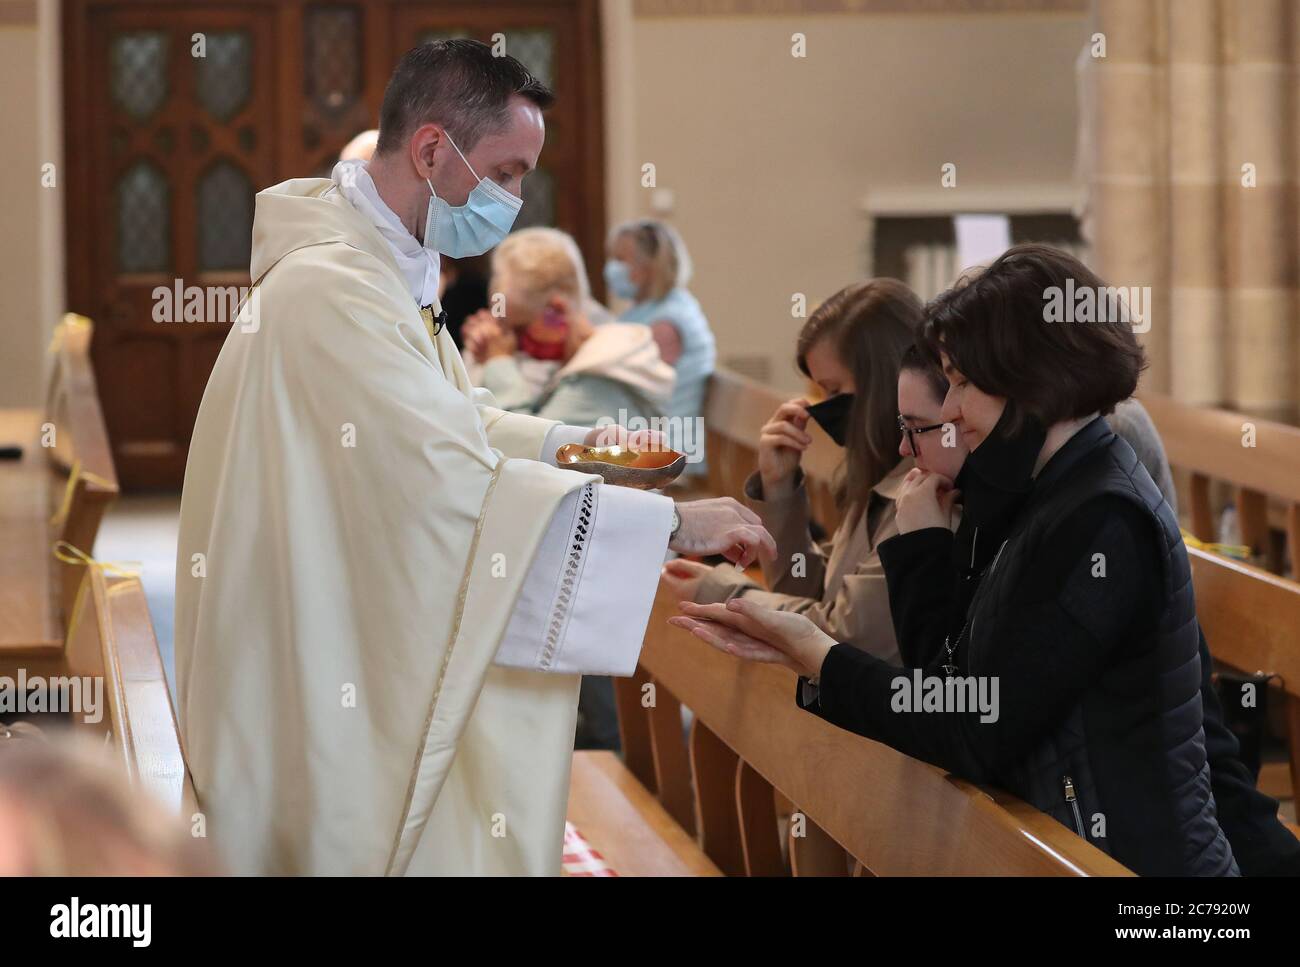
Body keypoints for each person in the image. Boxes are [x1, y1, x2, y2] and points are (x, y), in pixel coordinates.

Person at [175, 39, 776, 876]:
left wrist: (583, 446)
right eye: (507, 171)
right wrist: (670, 523)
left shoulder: (382, 271)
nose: (517, 201)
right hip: (319, 664)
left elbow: (456, 424)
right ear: (431, 150)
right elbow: (449, 490)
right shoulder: (334, 291)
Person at [672, 244, 1240, 876]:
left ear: (1029, 379)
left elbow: (973, 725)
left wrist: (815, 649)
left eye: (963, 384)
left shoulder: (1102, 515)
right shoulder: (1037, 487)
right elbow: (944, 674)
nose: (948, 411)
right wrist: (891, 578)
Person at [661, 282, 967, 663]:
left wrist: (721, 590)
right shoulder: (880, 475)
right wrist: (780, 488)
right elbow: (810, 592)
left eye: (834, 391)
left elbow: (845, 636)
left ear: (883, 387)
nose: (821, 411)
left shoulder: (926, 490)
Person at [463, 227, 661, 425]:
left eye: (518, 329)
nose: (509, 341)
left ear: (557, 311)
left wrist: (498, 361)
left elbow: (525, 440)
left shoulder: (597, 377)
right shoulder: (585, 353)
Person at [604, 219, 716, 471]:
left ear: (650, 266)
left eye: (621, 259)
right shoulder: (645, 309)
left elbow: (635, 385)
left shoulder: (667, 322)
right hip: (645, 436)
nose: (612, 268)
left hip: (666, 452)